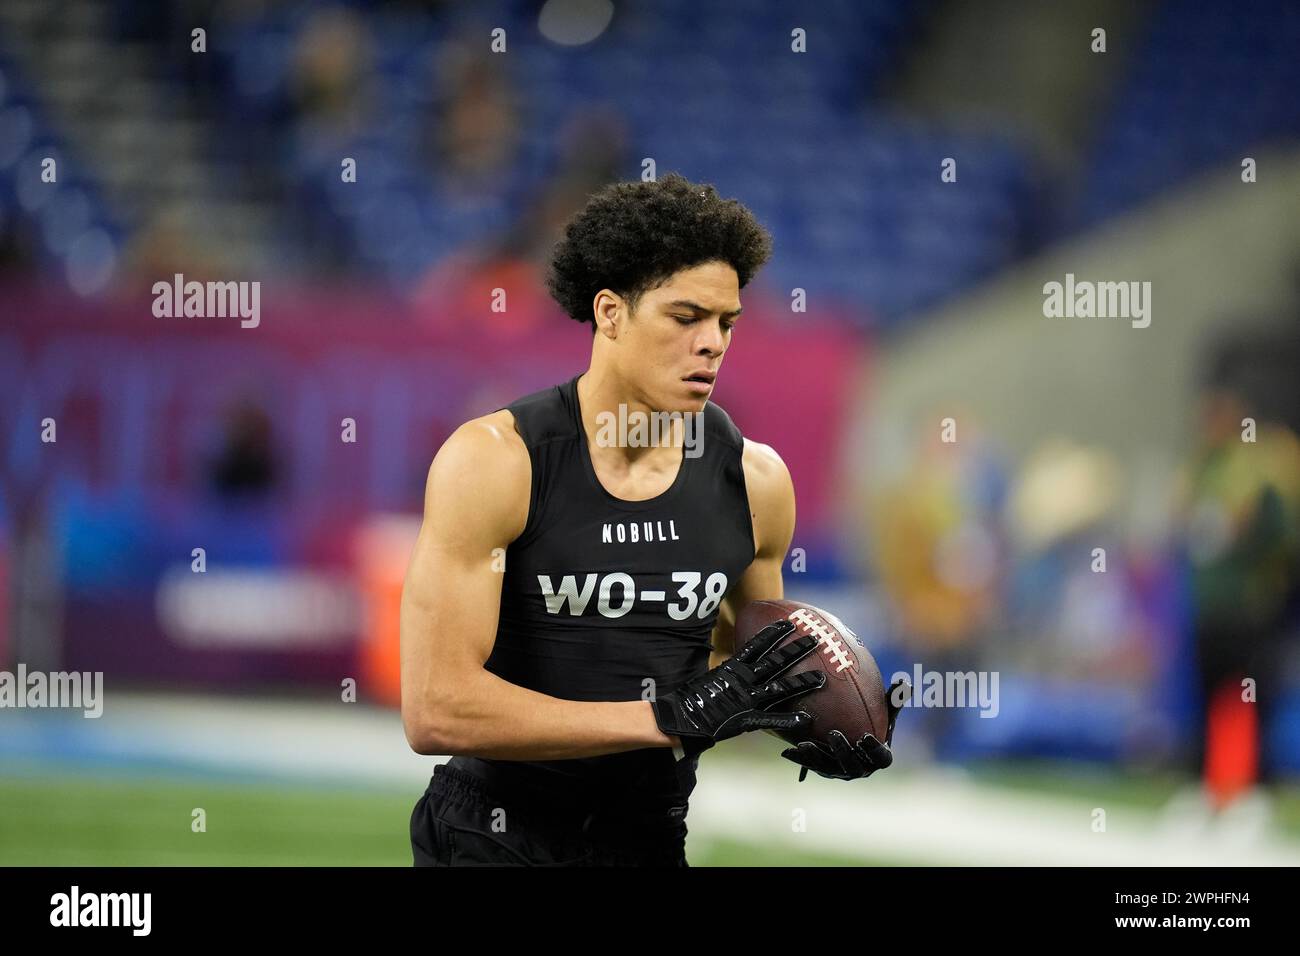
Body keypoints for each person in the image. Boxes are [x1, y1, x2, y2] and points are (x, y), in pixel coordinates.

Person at [402, 174, 899, 867]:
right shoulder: (497, 461)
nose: (712, 344)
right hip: (495, 834)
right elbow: (435, 710)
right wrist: (663, 717)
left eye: (726, 322)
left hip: (648, 839)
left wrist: (826, 711)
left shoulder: (757, 481)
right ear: (610, 313)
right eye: (685, 317)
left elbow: (744, 677)